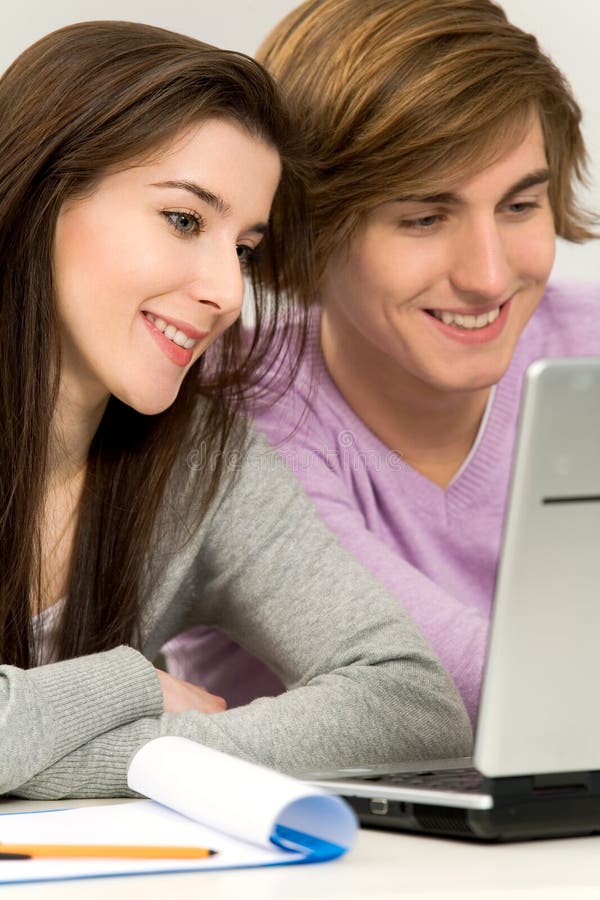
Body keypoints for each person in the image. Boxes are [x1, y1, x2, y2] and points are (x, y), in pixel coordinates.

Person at [0, 19, 473, 799]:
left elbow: (414, 705)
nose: (226, 293)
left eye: (244, 248)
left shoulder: (200, 460)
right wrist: (131, 683)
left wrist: (139, 752)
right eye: (184, 220)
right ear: (40, 194)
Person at [163, 0, 600, 724]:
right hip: (330, 833)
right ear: (307, 226)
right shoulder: (232, 403)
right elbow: (451, 679)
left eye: (520, 206)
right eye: (424, 219)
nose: (488, 277)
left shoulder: (585, 346)